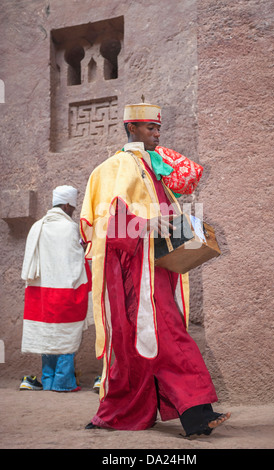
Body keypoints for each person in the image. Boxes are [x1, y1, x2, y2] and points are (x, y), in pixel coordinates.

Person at [80, 102, 230, 437]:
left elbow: (160, 214)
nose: (157, 133)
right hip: (135, 274)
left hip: (159, 269)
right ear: (131, 128)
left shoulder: (153, 168)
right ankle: (196, 416)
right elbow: (108, 221)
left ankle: (122, 410)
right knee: (166, 337)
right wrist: (148, 223)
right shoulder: (116, 166)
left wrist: (181, 226)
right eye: (150, 128)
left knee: (149, 342)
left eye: (158, 128)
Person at [20, 185, 91, 392]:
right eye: (73, 208)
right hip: (64, 291)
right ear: (68, 205)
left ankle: (48, 380)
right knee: (65, 333)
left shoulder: (37, 226)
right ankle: (63, 383)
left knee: (48, 334)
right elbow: (75, 261)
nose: (73, 213)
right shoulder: (69, 228)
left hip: (40, 292)